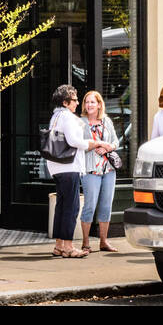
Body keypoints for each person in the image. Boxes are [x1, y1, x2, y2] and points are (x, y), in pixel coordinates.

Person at [47, 84, 113, 259]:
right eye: (75, 100)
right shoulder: (67, 117)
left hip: (57, 167)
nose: (78, 103)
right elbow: (75, 141)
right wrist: (96, 143)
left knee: (61, 206)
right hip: (69, 167)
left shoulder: (56, 116)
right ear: (66, 102)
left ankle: (59, 245)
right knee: (71, 206)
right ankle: (68, 247)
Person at [78, 90, 119, 253]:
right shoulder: (80, 123)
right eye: (87, 102)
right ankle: (85, 242)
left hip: (108, 169)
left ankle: (103, 241)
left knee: (106, 205)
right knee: (90, 205)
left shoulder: (106, 121)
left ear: (99, 104)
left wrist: (110, 146)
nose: (89, 105)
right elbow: (80, 144)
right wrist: (98, 144)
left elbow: (115, 140)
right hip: (90, 170)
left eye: (92, 102)